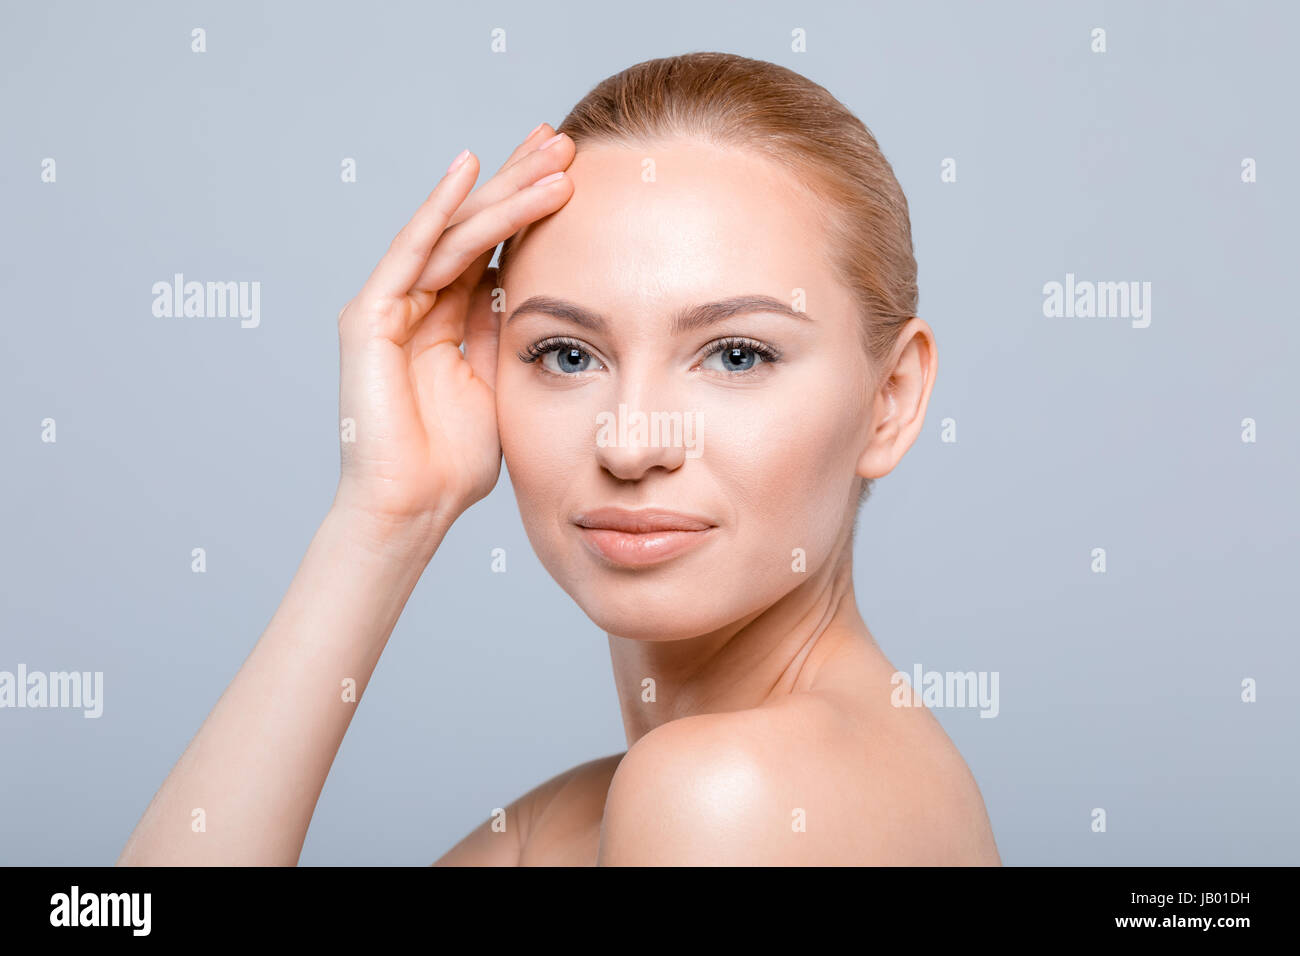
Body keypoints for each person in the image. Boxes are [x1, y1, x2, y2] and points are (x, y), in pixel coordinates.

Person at [118, 52, 1000, 866]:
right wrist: (385, 514)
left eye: (736, 354)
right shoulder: (585, 814)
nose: (630, 444)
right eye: (568, 355)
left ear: (891, 400)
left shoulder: (725, 797)